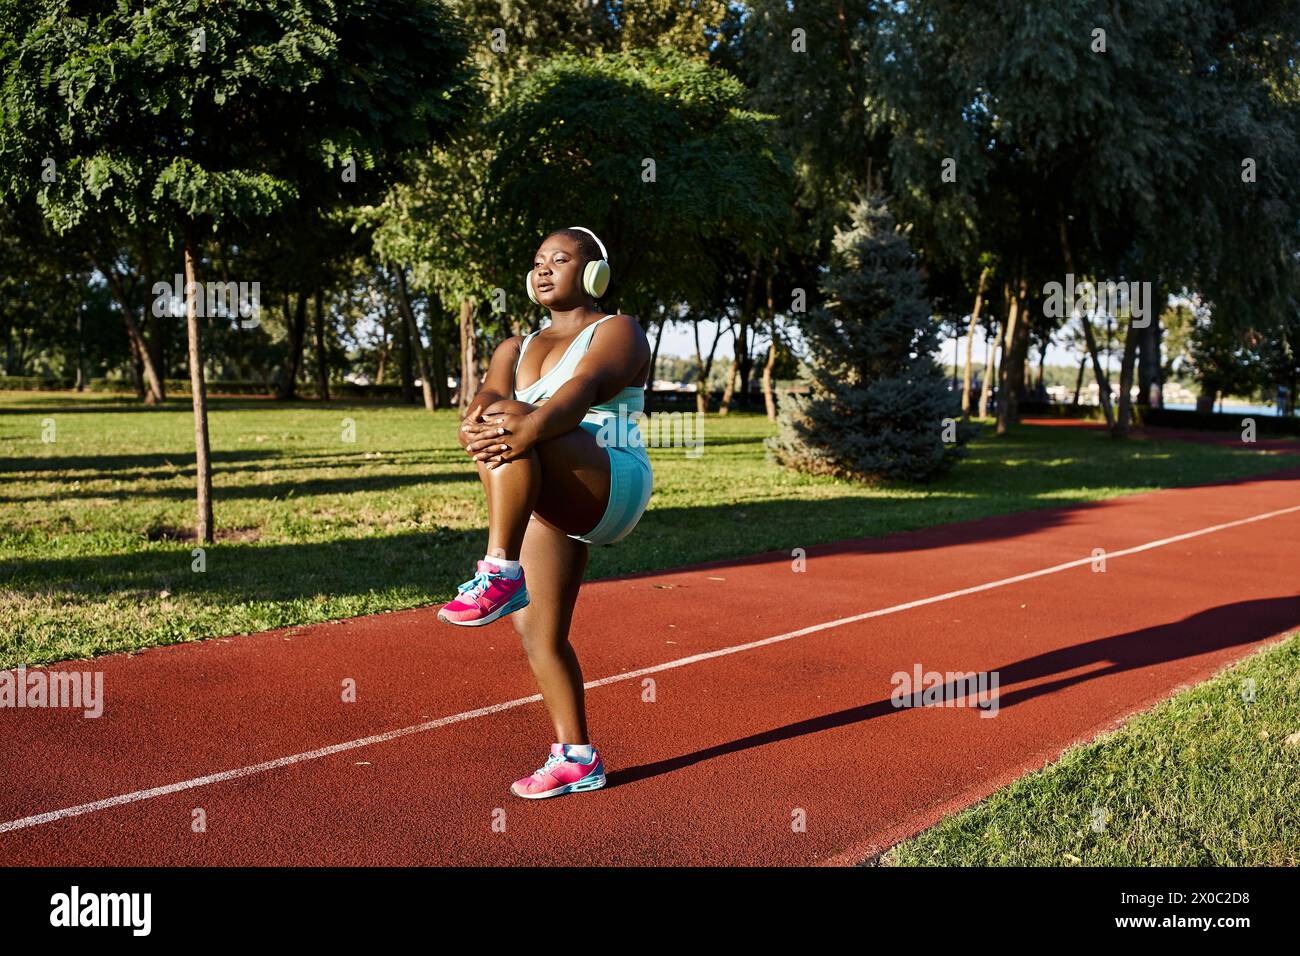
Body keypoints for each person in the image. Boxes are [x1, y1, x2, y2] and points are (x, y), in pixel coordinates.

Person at [440, 226, 653, 799]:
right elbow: (487, 396)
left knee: (512, 423)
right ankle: (576, 757)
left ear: (593, 275)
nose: (542, 270)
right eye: (537, 261)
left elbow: (582, 389)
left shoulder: (618, 330)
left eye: (560, 260)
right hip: (540, 480)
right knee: (541, 636)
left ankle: (498, 571)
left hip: (609, 476)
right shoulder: (514, 347)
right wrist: (476, 420)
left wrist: (522, 423)